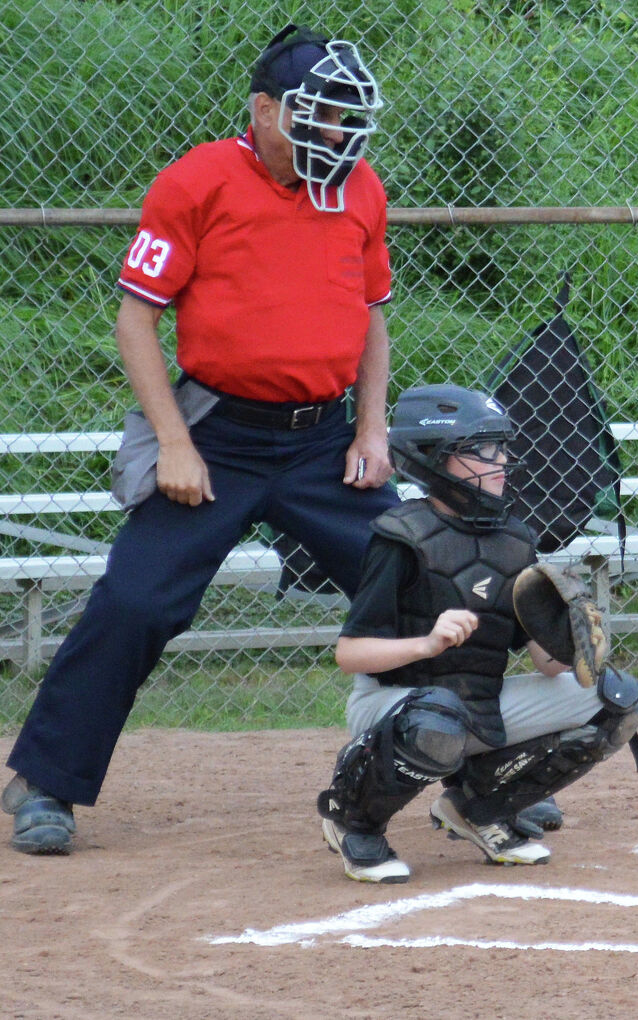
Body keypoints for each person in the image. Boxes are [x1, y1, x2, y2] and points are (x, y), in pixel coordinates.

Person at [4, 26, 402, 856]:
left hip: (324, 441)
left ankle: (476, 775)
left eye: (348, 119)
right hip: (218, 435)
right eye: (323, 116)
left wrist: (371, 427)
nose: (340, 136)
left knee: (415, 580)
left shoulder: (360, 190)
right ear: (266, 110)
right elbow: (136, 318)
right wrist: (175, 442)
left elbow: (371, 318)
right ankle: (46, 782)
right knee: (135, 602)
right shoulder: (197, 181)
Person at [315, 385, 638, 883]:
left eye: (502, 449)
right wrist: (427, 644)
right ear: (434, 459)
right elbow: (350, 654)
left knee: (613, 698)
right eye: (483, 451)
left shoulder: (514, 540)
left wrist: (570, 638)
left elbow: (549, 668)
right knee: (438, 715)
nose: (501, 462)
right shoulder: (400, 538)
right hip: (390, 702)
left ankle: (478, 808)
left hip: (476, 701)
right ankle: (353, 820)